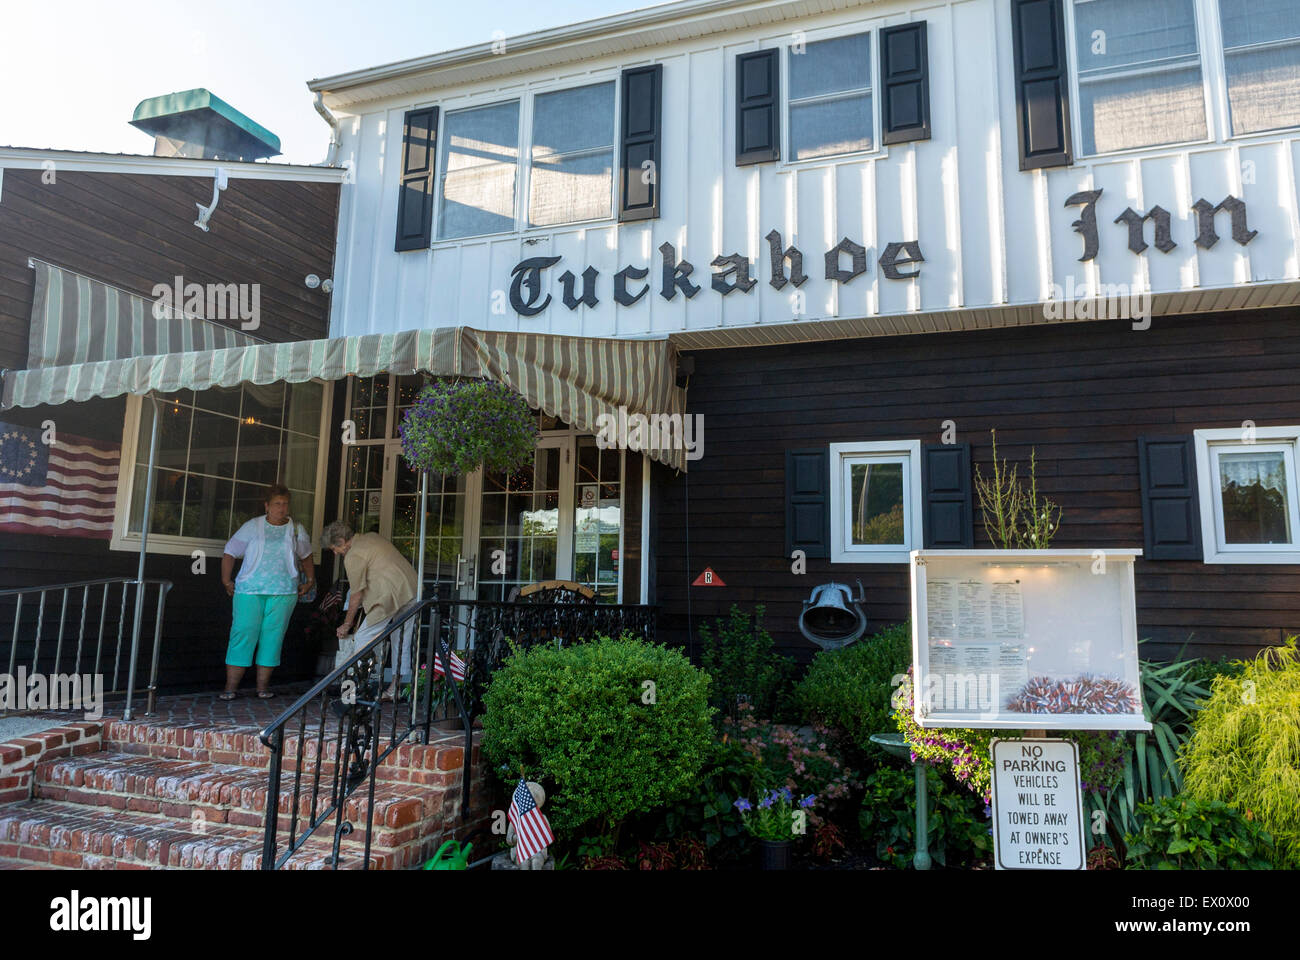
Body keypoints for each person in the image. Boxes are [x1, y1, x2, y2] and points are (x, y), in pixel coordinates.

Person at [219, 483, 315, 700]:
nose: (281, 508)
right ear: (267, 506)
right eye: (277, 504)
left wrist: (310, 580)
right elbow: (230, 551)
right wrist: (226, 581)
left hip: (283, 592)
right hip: (249, 591)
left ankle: (262, 688)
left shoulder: (296, 529)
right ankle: (230, 688)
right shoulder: (252, 526)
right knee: (243, 634)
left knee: (272, 638)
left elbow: (306, 555)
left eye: (285, 504)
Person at [322, 520, 419, 700]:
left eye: (334, 549)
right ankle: (395, 688)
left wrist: (346, 624)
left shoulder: (352, 556)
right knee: (402, 639)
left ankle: (355, 690)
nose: (335, 554)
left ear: (342, 541)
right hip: (412, 589)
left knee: (362, 638)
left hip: (389, 595)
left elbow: (356, 594)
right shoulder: (372, 538)